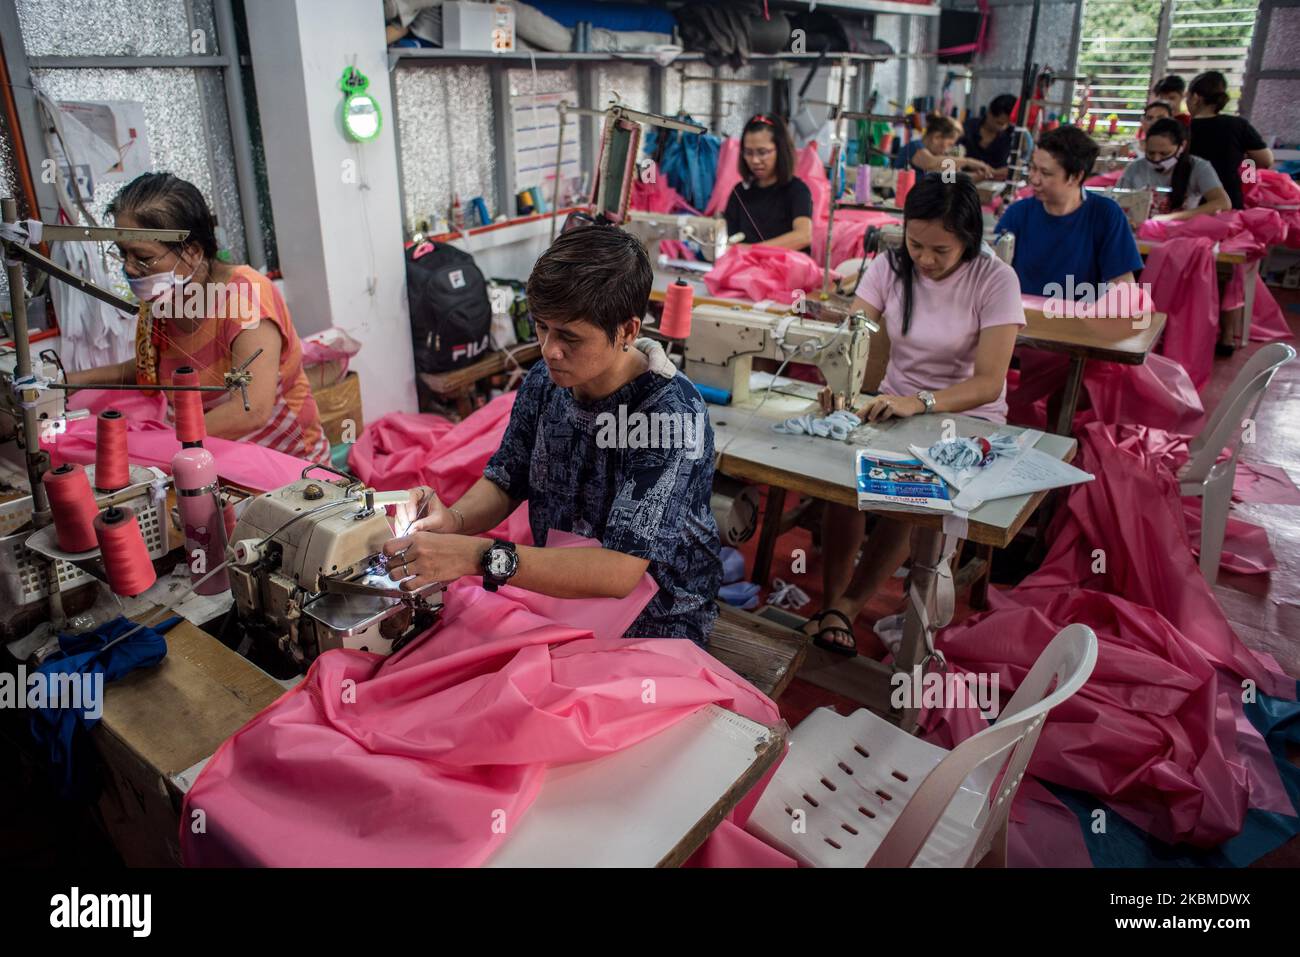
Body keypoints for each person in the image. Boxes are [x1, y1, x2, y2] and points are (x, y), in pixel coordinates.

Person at [382, 225, 723, 645]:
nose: (548, 349)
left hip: (657, 615)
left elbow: (619, 573)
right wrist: (454, 520)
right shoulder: (547, 380)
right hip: (560, 593)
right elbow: (507, 477)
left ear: (629, 331)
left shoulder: (668, 417)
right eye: (542, 327)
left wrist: (477, 555)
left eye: (569, 337)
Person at [800, 174, 1025, 657]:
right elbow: (858, 336)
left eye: (940, 250)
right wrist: (841, 386)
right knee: (841, 483)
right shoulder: (889, 265)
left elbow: (989, 382)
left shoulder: (996, 280)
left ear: (969, 239)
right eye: (916, 243)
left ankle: (851, 605)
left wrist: (920, 402)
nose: (924, 258)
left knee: (906, 491)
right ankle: (834, 600)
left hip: (968, 418)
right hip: (895, 406)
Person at [68, 172, 329, 462]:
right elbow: (151, 367)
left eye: (142, 257)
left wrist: (159, 446)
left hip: (288, 474)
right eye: (122, 254)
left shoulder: (245, 299)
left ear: (191, 252)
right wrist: (70, 381)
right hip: (212, 463)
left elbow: (250, 409)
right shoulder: (164, 301)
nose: (128, 268)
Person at [995, 125, 1143, 298]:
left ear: (1076, 176)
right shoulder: (1018, 213)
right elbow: (995, 271)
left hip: (1081, 320)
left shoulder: (1105, 215)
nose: (1034, 179)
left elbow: (1123, 285)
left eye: (1046, 173)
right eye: (1033, 168)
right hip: (1024, 317)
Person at [723, 112, 814, 252]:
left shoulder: (797, 191)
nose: (755, 160)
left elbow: (803, 236)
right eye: (748, 152)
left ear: (780, 150)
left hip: (785, 270)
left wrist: (752, 250)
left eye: (762, 152)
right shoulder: (739, 193)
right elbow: (727, 239)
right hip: (746, 270)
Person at [1186, 71, 1274, 210]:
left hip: (1189, 201)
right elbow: (1265, 160)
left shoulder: (1182, 129)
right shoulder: (1237, 125)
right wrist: (1244, 161)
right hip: (1229, 199)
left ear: (1195, 97)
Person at [1118, 117, 1231, 221]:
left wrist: (1172, 217)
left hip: (1179, 234)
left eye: (1164, 153)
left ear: (1182, 146)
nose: (1156, 159)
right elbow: (1117, 201)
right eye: (1151, 153)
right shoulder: (1135, 168)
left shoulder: (1199, 167)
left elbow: (1223, 203)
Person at [894, 115, 994, 180]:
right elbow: (930, 162)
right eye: (950, 144)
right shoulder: (914, 147)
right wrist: (968, 161)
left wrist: (978, 176)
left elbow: (949, 179)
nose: (949, 149)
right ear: (936, 137)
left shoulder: (937, 156)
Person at [959, 94, 1029, 180]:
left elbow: (1020, 163)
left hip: (995, 185)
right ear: (989, 113)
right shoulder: (966, 129)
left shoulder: (1012, 135)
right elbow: (949, 163)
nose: (1003, 127)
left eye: (1007, 124)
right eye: (999, 123)